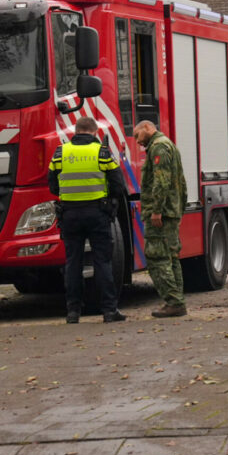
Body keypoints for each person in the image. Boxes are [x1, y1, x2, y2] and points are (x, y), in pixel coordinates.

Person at [48, 116, 128, 324]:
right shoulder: (101, 152)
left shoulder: (61, 152)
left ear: (76, 131)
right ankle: (109, 311)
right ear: (94, 132)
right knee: (102, 261)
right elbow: (118, 183)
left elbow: (52, 186)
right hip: (97, 214)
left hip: (70, 214)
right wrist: (108, 201)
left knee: (73, 263)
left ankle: (73, 312)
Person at [134, 120, 189, 318]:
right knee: (172, 256)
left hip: (161, 213)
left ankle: (173, 301)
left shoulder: (158, 147)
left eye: (137, 135)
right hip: (170, 211)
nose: (137, 141)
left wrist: (156, 210)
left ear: (148, 128)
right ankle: (176, 300)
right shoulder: (167, 145)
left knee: (157, 256)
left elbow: (162, 181)